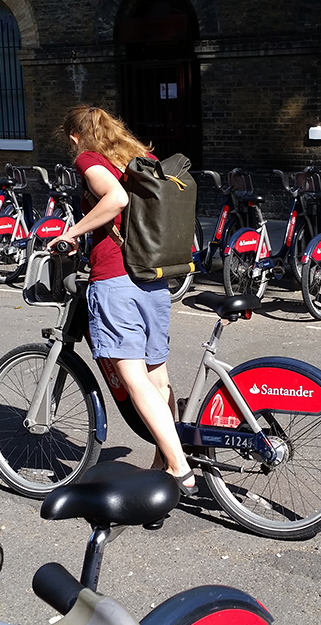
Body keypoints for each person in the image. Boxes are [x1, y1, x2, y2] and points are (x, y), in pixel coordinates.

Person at [48, 105, 196, 496]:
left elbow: (115, 199)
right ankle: (163, 463)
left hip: (116, 277)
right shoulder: (140, 158)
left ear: (75, 137)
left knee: (133, 379)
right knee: (157, 377)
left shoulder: (88, 158)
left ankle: (180, 467)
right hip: (153, 277)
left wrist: (73, 232)